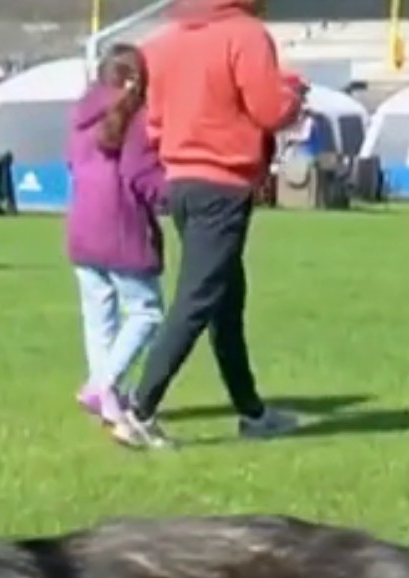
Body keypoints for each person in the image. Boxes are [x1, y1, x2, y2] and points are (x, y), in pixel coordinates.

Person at [111, 0, 304, 452]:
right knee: (199, 299)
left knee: (224, 299)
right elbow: (270, 109)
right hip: (224, 181)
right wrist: (292, 94)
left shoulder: (163, 44)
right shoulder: (245, 34)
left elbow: (155, 123)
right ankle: (140, 410)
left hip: (182, 181)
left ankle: (251, 411)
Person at [64, 43, 167, 426]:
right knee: (147, 312)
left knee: (99, 316)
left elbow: (73, 164)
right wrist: (181, 193)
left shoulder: (79, 116)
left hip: (82, 229)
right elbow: (142, 175)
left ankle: (104, 392)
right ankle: (103, 385)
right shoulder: (134, 118)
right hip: (120, 228)